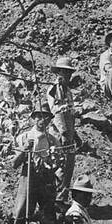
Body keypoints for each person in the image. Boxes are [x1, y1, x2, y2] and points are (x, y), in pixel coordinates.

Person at [0, 103, 58, 224]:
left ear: (49, 119)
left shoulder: (53, 140)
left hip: (46, 182)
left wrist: (54, 160)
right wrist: (25, 151)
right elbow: (14, 164)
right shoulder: (24, 137)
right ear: (33, 118)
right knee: (20, 217)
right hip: (28, 180)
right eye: (38, 116)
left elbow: (60, 165)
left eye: (46, 117)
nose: (42, 120)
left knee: (48, 222)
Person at [46, 56, 78, 202]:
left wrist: (74, 135)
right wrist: (65, 133)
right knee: (59, 164)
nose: (66, 75)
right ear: (58, 72)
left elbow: (70, 113)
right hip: (59, 132)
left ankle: (63, 195)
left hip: (69, 132)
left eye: (68, 72)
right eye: (63, 72)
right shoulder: (54, 90)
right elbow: (57, 112)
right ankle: (56, 197)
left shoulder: (67, 90)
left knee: (69, 163)